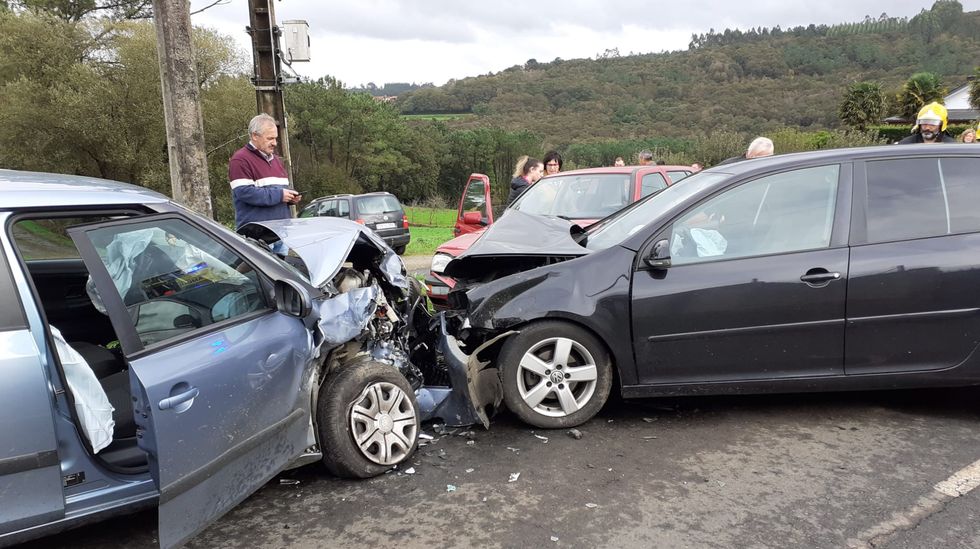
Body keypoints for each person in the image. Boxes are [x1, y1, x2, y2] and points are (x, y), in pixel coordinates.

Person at [228, 113, 301, 230]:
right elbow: (245, 193)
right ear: (255, 136)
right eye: (270, 138)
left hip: (281, 233)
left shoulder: (277, 160)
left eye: (275, 138)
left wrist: (290, 197)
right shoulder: (240, 160)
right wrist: (280, 195)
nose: (275, 143)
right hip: (257, 235)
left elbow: (279, 191)